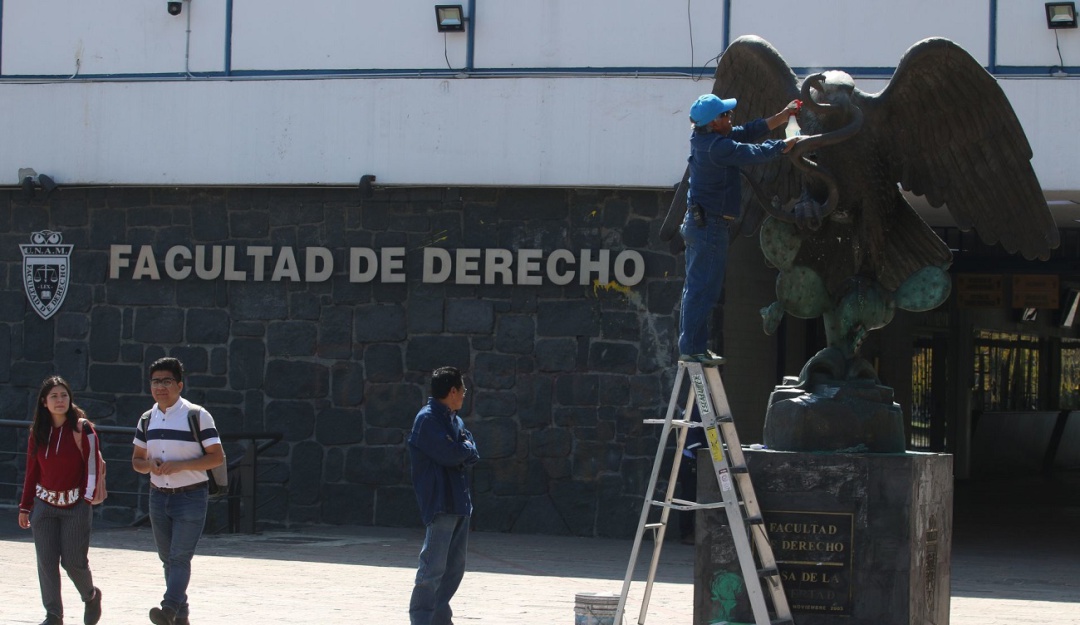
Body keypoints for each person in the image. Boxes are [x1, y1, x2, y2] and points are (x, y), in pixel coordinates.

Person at [678, 93, 801, 364]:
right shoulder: (716, 148)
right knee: (704, 289)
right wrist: (783, 145)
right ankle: (692, 348)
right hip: (709, 226)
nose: (730, 117)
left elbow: (746, 132)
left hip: (703, 224)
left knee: (698, 287)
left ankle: (692, 345)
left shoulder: (709, 139)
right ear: (713, 124)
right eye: (724, 115)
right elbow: (751, 152)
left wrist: (781, 116)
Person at [132, 357, 224, 625]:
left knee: (180, 557)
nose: (161, 386)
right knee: (167, 560)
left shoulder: (197, 415)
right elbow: (136, 462)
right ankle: (181, 617)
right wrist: (149, 465)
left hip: (191, 496)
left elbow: (216, 457)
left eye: (167, 381)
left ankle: (169, 609)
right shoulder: (147, 419)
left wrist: (181, 465)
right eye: (156, 381)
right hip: (158, 497)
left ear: (179, 385)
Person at [18, 376, 104, 625]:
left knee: (74, 562)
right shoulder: (38, 431)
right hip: (44, 506)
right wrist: (25, 506)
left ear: (70, 398)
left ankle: (90, 596)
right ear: (44, 402)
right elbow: (31, 471)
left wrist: (86, 499)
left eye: (64, 395)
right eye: (54, 396)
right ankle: (53, 614)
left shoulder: (82, 428)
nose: (59, 400)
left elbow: (92, 466)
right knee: (46, 561)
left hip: (76, 505)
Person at [407, 366, 480, 625]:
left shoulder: (454, 419)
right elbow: (451, 454)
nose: (464, 394)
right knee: (432, 569)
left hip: (459, 503)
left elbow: (472, 451)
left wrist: (462, 448)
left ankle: (440, 619)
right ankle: (422, 620)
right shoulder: (427, 420)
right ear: (452, 391)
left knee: (454, 569)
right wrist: (463, 448)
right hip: (441, 504)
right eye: (462, 390)